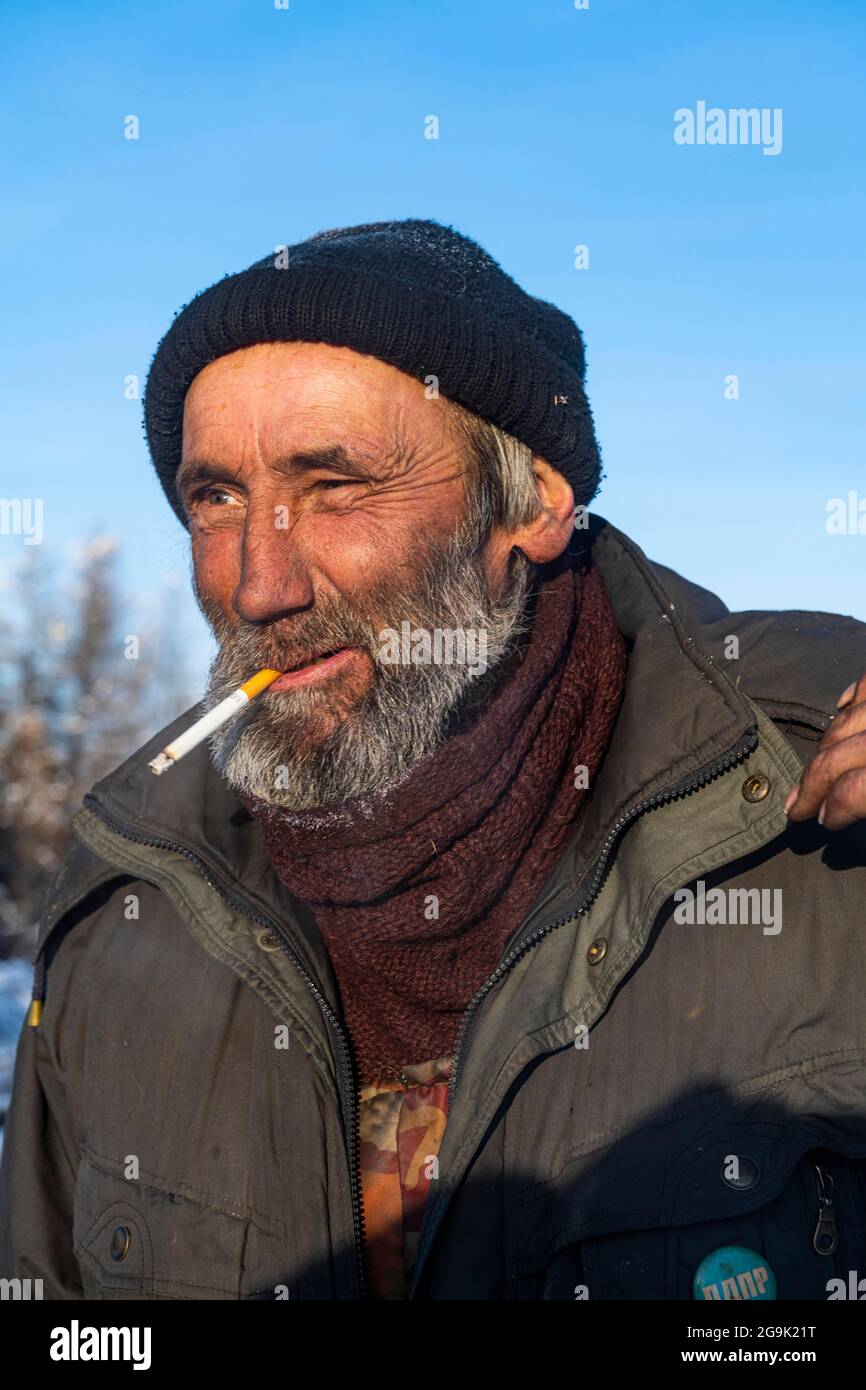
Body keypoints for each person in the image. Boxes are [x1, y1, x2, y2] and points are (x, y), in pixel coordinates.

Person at [2, 219, 866, 1301]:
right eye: (216, 499)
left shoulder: (813, 795)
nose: (260, 583)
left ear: (534, 500)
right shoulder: (129, 907)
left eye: (334, 484)